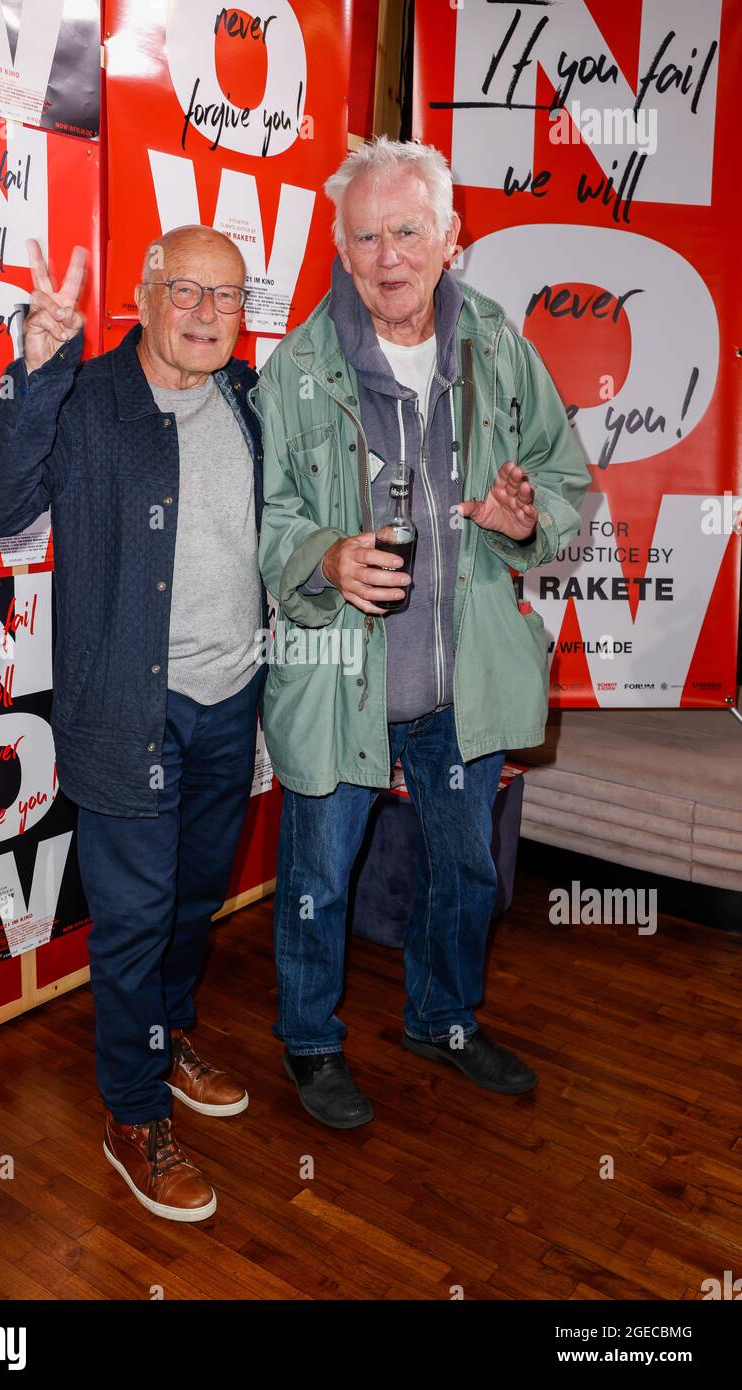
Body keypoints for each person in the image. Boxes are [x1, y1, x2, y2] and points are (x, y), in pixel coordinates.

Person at [252, 137, 591, 1129]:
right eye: (367, 235)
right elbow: (265, 521)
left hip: (462, 673)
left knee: (467, 867)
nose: (388, 254)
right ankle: (311, 1041)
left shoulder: (499, 343)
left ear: (451, 237)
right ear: (342, 247)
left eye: (408, 230)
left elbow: (562, 479)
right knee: (317, 875)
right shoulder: (298, 367)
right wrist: (324, 555)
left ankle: (441, 1018)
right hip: (338, 674)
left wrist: (526, 518)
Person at [0, 226, 267, 1220]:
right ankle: (133, 1113)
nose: (207, 313)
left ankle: (166, 1036)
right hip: (130, 713)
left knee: (191, 901)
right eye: (185, 289)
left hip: (232, 704)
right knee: (133, 925)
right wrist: (38, 365)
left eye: (226, 295)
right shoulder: (87, 396)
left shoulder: (249, 397)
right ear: (141, 294)